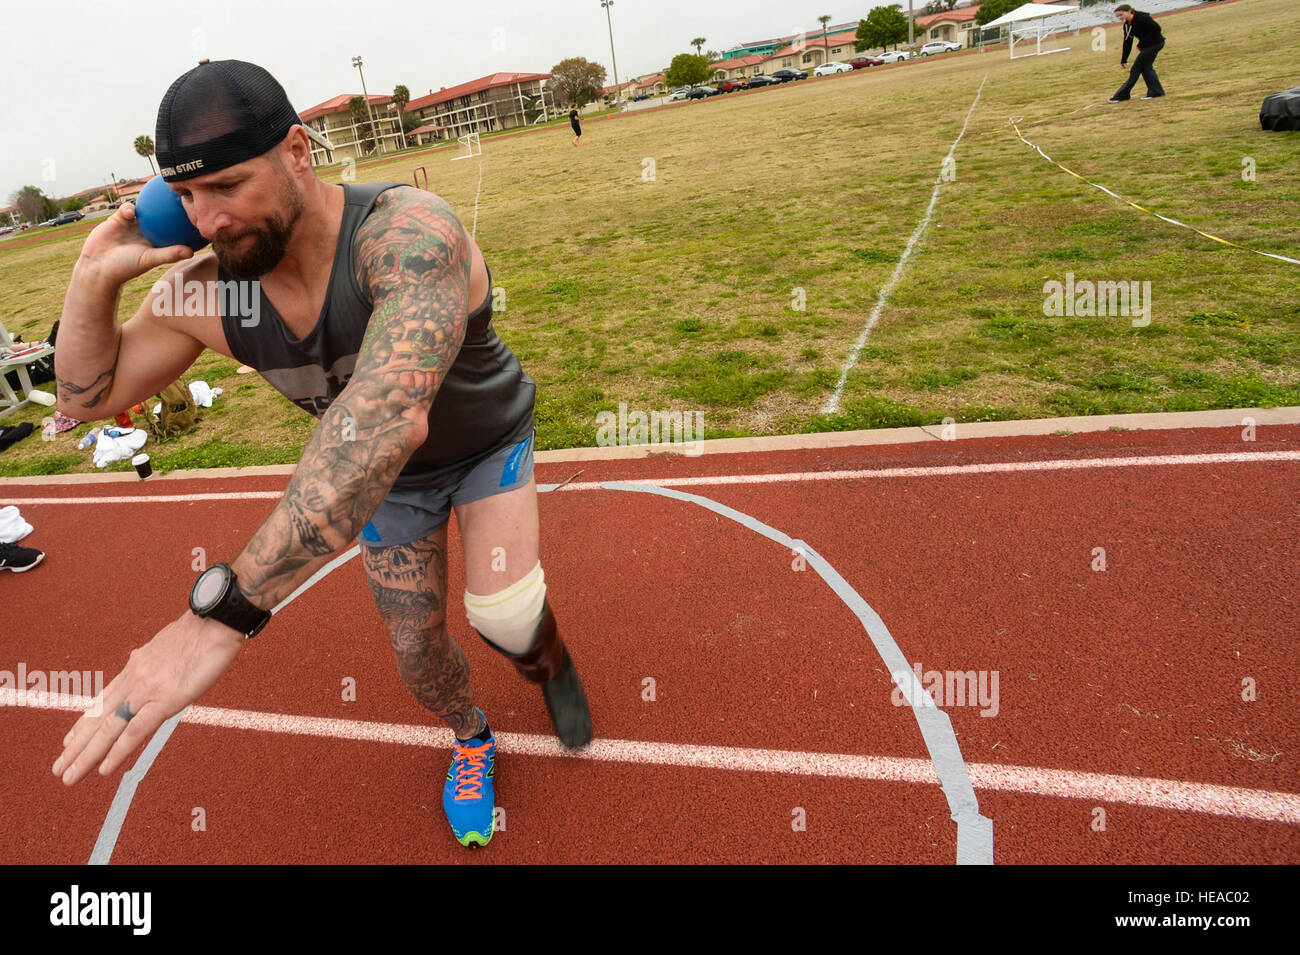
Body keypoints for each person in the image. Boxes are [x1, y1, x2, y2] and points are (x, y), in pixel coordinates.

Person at [49, 59, 592, 849]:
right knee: (415, 650)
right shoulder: (209, 292)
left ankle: (549, 665)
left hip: (479, 444)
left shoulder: (408, 232)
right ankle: (472, 736)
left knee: (504, 611)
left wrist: (216, 620)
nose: (207, 219)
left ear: (298, 151)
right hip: (387, 486)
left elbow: (383, 418)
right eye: (188, 196)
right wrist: (92, 278)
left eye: (229, 185)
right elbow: (84, 398)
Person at [1108, 4, 1166, 103]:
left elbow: (1157, 29)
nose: (1120, 18)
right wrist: (1124, 59)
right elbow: (1127, 42)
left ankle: (1122, 95)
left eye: (1121, 15)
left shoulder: (1142, 18)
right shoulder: (1127, 25)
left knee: (1136, 68)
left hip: (1156, 43)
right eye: (1118, 16)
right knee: (1146, 68)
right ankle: (1156, 91)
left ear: (1129, 11)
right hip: (1146, 46)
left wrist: (1142, 44)